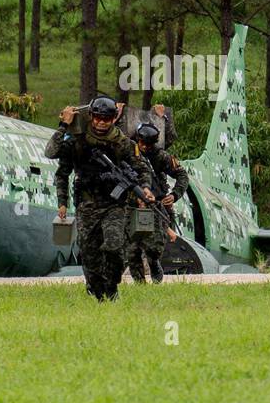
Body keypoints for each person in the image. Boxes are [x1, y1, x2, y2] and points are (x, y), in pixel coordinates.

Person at [46, 96, 154, 301]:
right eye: (97, 118)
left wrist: (146, 188)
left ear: (114, 119)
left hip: (114, 204)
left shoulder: (122, 143)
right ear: (91, 117)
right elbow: (54, 158)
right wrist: (63, 125)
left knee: (114, 246)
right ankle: (97, 291)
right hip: (87, 204)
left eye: (106, 118)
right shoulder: (77, 140)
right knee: (88, 252)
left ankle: (112, 286)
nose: (101, 122)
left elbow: (141, 169)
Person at [126, 122, 188, 284]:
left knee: (154, 247)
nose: (145, 147)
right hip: (132, 205)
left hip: (155, 206)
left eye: (148, 144)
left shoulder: (161, 156)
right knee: (133, 249)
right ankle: (140, 284)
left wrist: (174, 195)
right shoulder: (128, 151)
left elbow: (182, 175)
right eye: (142, 143)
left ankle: (154, 263)